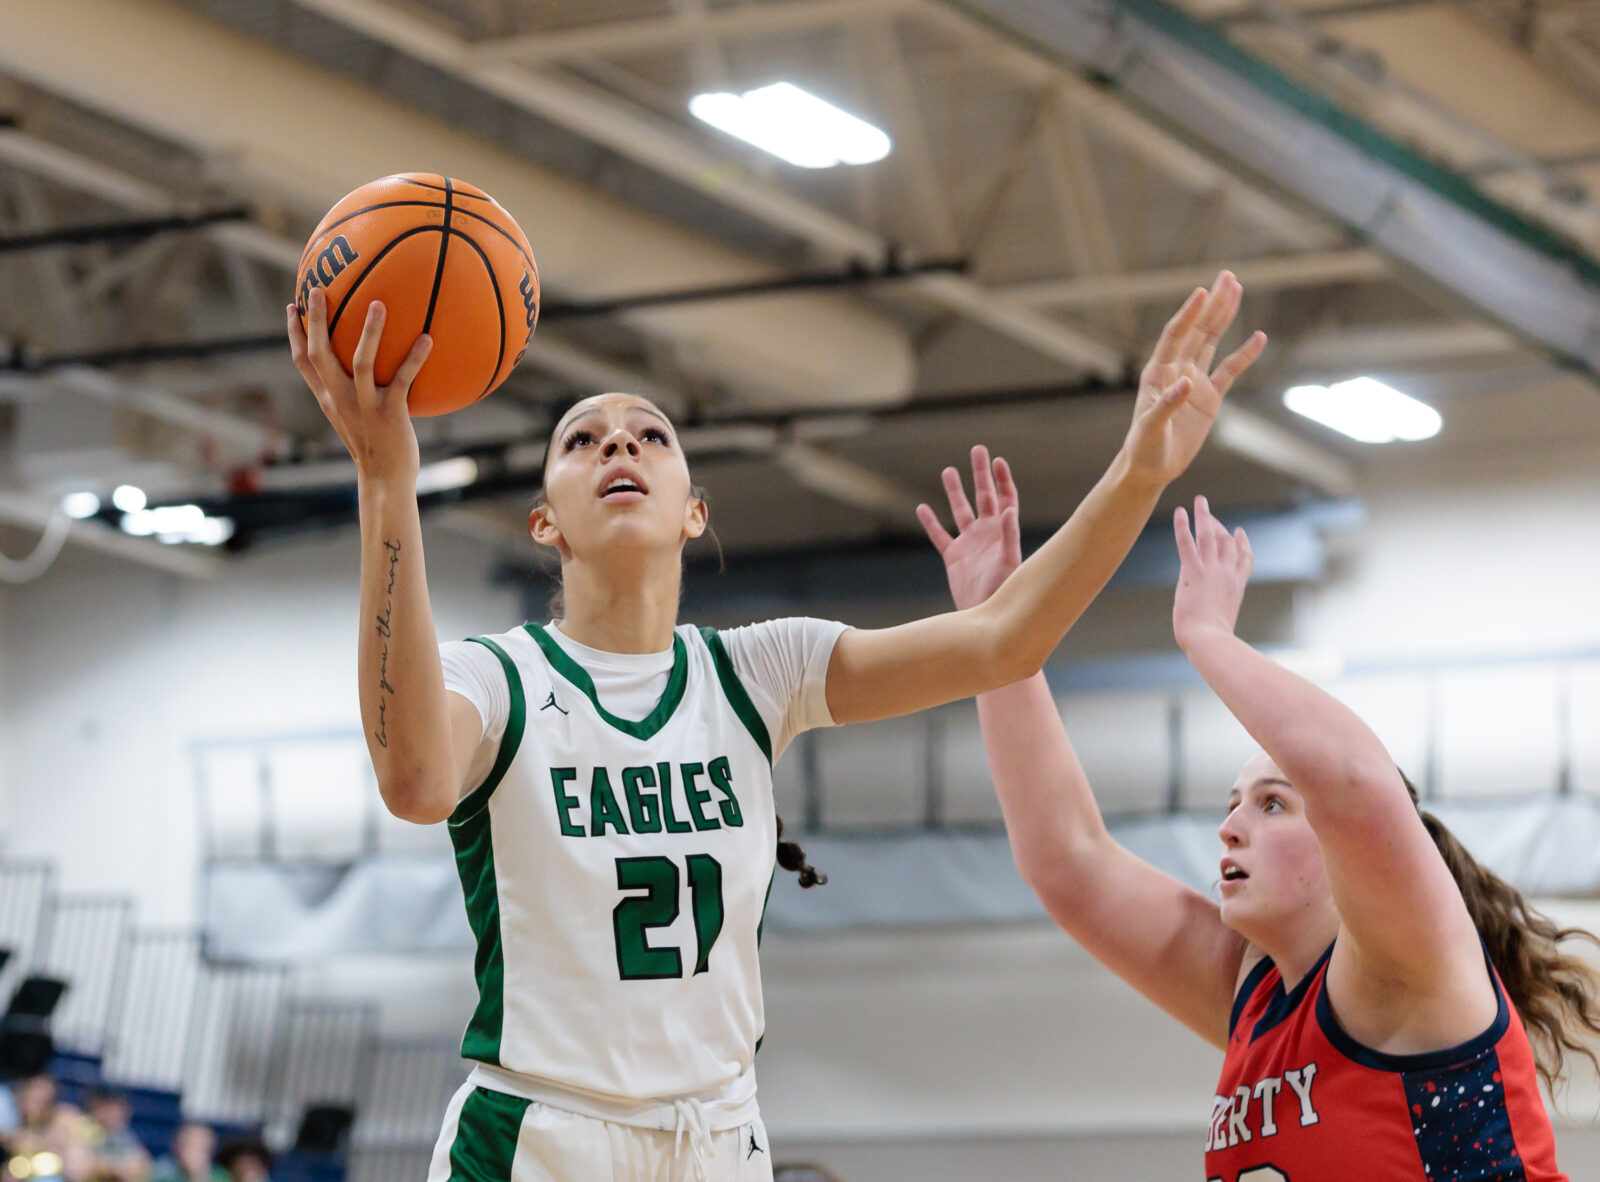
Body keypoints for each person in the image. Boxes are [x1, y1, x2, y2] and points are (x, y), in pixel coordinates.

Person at [285, 272, 1265, 1182]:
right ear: (545, 522)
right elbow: (415, 784)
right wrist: (386, 482)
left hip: (720, 1138)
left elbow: (1004, 641)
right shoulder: (495, 677)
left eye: (650, 436)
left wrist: (1139, 470)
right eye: (582, 442)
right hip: (541, 1136)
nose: (619, 447)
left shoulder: (757, 671)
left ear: (693, 512)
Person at [918, 454, 1598, 1181]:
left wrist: (1210, 637)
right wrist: (997, 638)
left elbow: (1355, 782)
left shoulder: (1404, 963)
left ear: (1343, 847)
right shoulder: (1259, 992)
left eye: (1273, 803)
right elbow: (1068, 859)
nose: (1231, 827)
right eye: (1234, 804)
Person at [84, 1088, 151, 1182]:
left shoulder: (124, 1133)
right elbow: (83, 1165)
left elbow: (141, 1163)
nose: (112, 1113)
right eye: (107, 1107)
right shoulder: (85, 1127)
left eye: (116, 1107)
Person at [149, 1123, 227, 1182]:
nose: (194, 1154)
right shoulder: (163, 1171)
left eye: (201, 1148)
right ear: (177, 1148)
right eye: (189, 1146)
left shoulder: (220, 1176)